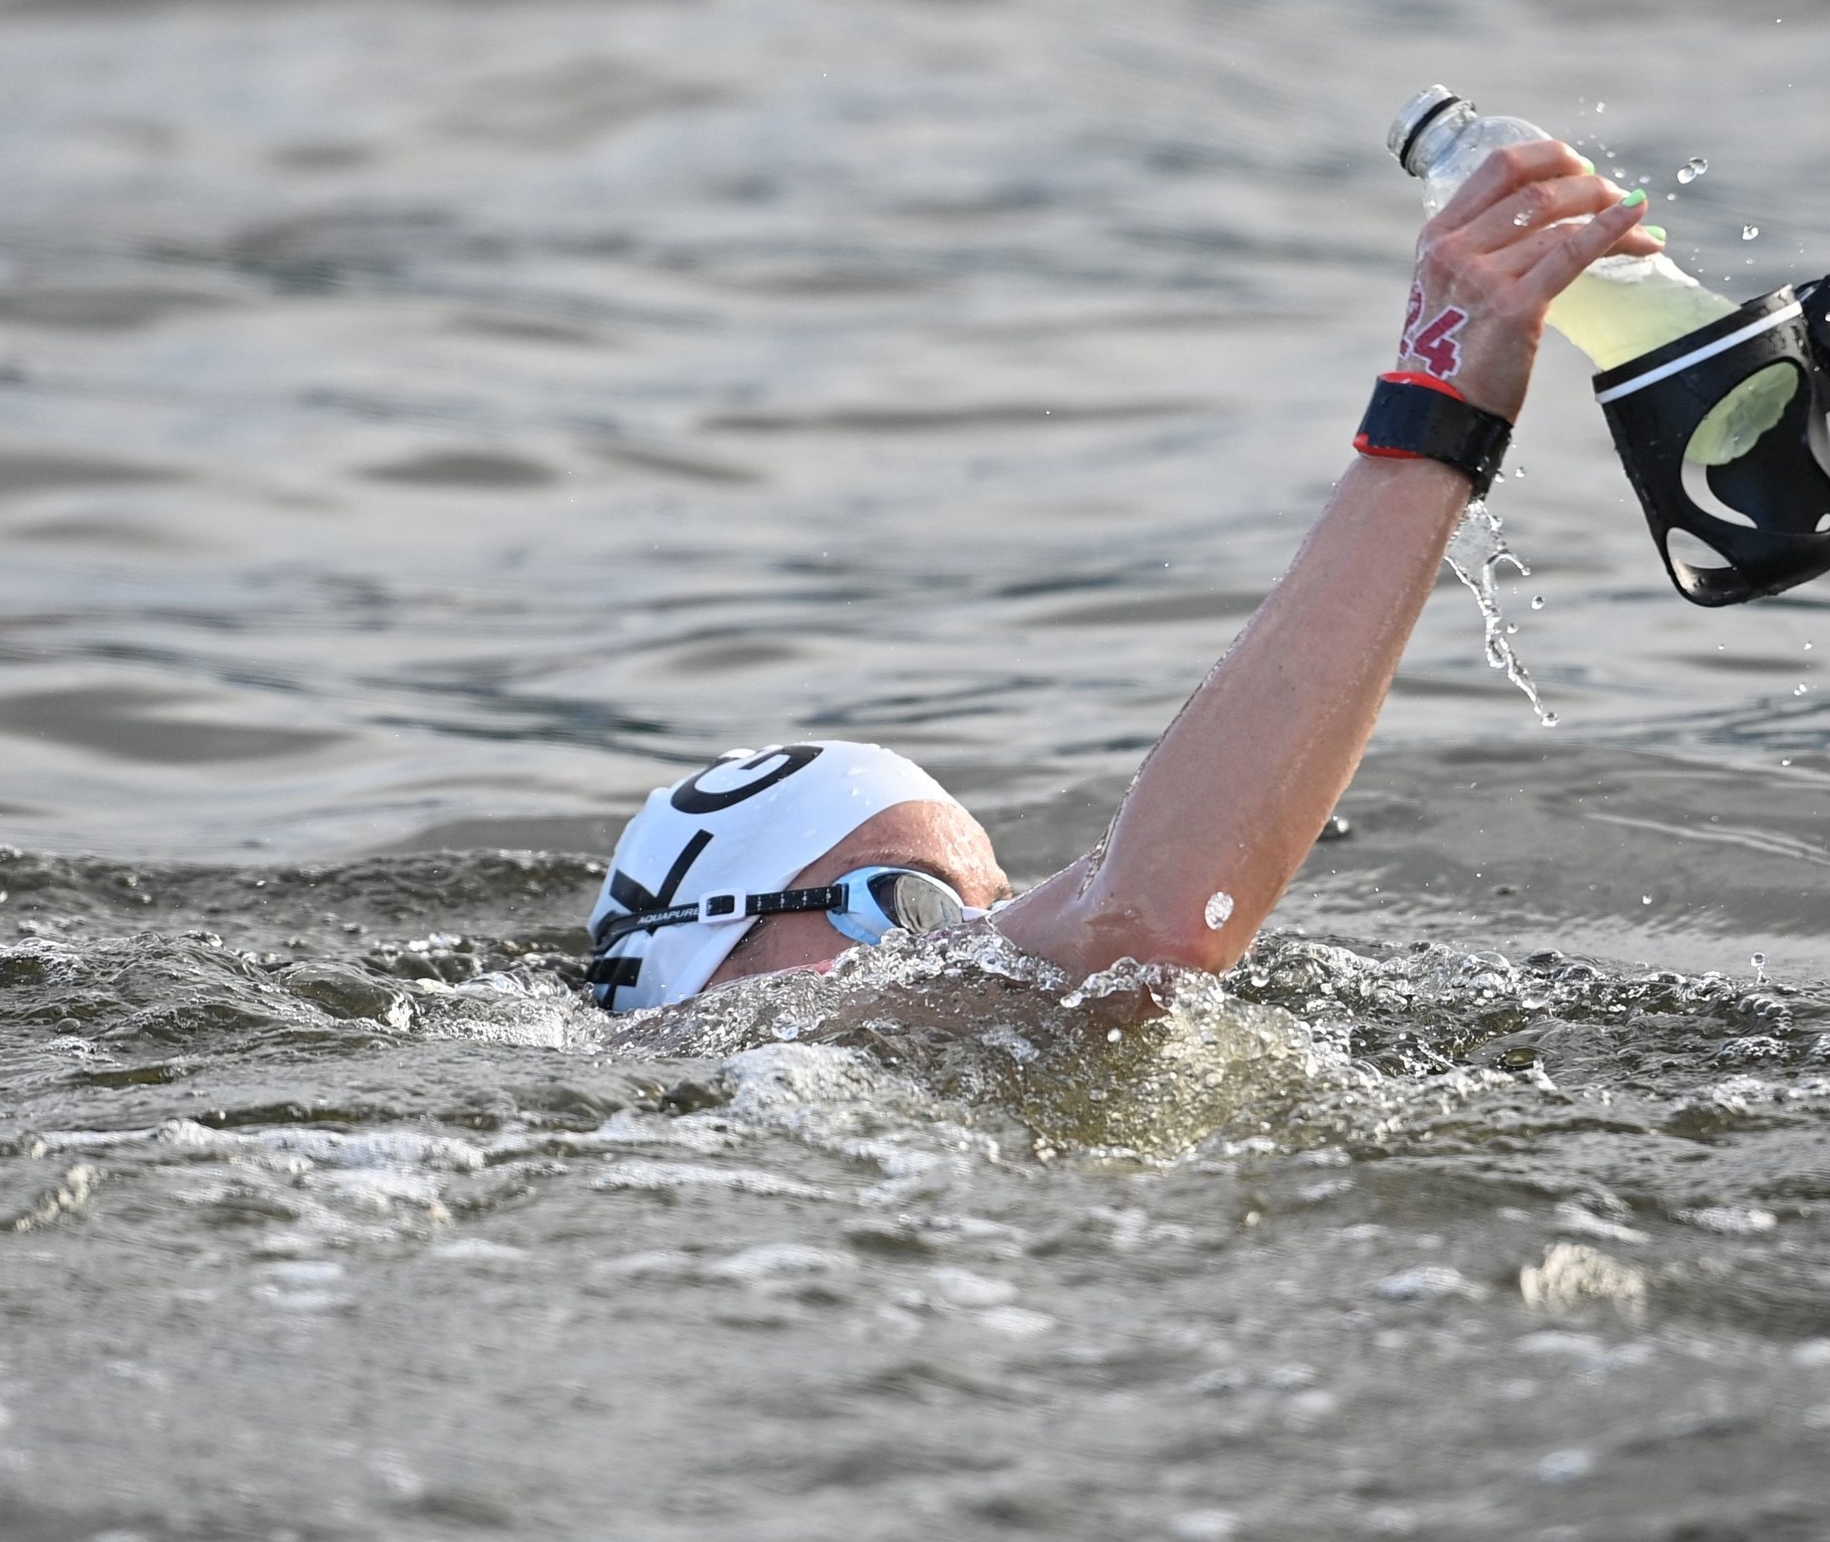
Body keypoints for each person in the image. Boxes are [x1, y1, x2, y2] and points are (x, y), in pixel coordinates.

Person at [584, 138, 1658, 1033]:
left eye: (997, 906)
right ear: (701, 951)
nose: (973, 943)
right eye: (904, 905)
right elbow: (1144, 920)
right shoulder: (689, 1049)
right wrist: (1437, 412)